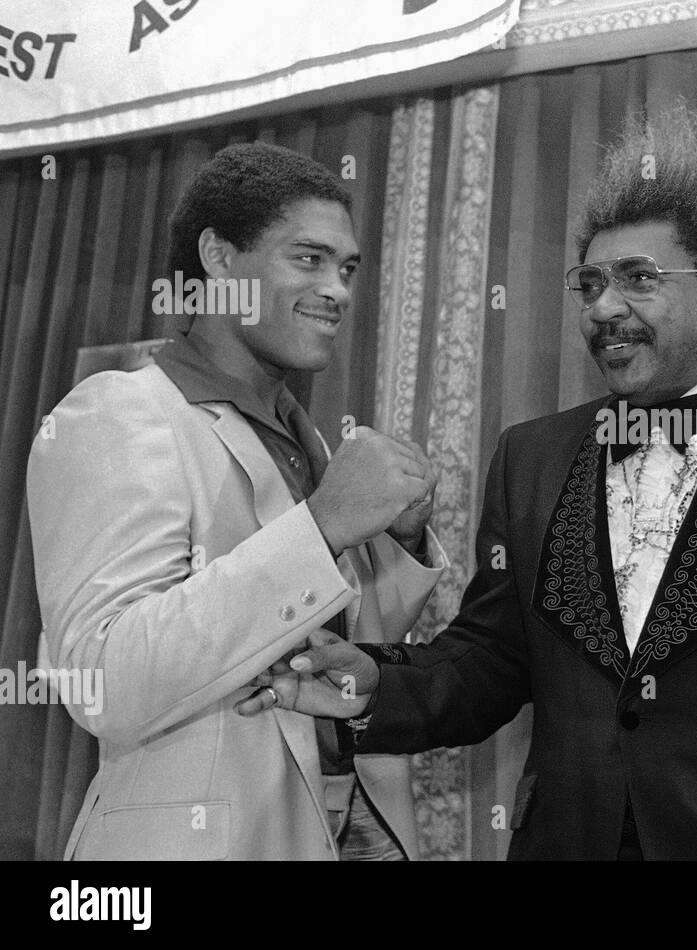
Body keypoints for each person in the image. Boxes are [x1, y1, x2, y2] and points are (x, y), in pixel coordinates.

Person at [245, 108, 697, 859]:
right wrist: (374, 684)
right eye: (589, 285)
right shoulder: (533, 456)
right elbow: (490, 662)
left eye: (638, 281)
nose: (603, 308)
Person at [27, 142, 445, 860]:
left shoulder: (298, 431)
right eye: (308, 259)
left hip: (337, 824)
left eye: (347, 269)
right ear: (219, 259)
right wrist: (322, 525)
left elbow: (313, 636)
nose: (339, 290)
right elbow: (102, 679)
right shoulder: (119, 412)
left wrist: (399, 542)